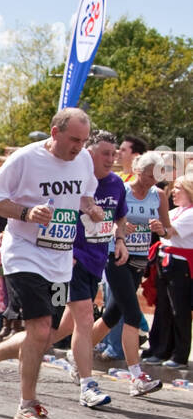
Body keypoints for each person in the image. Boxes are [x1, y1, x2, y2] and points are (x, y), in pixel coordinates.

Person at [0, 108, 99, 419]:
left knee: (45, 336)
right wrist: (26, 213)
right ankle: (27, 405)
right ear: (54, 133)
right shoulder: (25, 159)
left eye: (83, 141)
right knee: (39, 329)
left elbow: (83, 196)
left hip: (60, 257)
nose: (78, 147)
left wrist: (92, 208)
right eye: (73, 140)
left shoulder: (83, 161)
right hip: (24, 254)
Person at [43, 131, 129, 407]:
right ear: (89, 155)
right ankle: (87, 385)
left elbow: (121, 216)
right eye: (106, 153)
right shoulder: (72, 179)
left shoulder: (116, 184)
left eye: (114, 154)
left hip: (96, 261)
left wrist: (120, 240)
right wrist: (60, 249)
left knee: (57, 331)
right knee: (83, 317)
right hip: (72, 260)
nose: (112, 159)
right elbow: (51, 211)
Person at [90, 149, 167, 394]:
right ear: (137, 171)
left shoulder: (159, 196)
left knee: (112, 315)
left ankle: (78, 355)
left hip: (139, 260)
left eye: (156, 176)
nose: (151, 181)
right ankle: (137, 377)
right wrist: (120, 228)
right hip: (116, 256)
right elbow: (103, 220)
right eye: (148, 175)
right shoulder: (121, 190)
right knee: (132, 314)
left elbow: (169, 231)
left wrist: (161, 229)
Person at [142, 172, 193, 368]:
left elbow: (169, 232)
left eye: (178, 188)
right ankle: (161, 349)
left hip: (180, 264)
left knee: (179, 309)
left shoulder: (190, 213)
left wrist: (160, 228)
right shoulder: (176, 211)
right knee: (163, 308)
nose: (173, 192)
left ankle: (179, 354)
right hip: (165, 261)